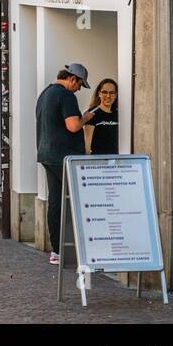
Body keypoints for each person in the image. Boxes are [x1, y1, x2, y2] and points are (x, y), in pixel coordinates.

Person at [36, 63, 96, 264]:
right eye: (80, 85)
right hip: (64, 156)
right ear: (72, 79)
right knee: (81, 199)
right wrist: (85, 117)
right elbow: (73, 126)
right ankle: (86, 248)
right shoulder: (66, 95)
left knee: (55, 202)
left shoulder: (45, 93)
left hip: (46, 154)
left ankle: (57, 251)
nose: (79, 89)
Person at [86, 79, 120, 155]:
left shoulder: (119, 115)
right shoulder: (91, 113)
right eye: (104, 92)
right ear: (99, 94)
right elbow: (87, 146)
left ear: (116, 95)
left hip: (117, 161)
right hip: (98, 162)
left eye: (112, 93)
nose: (108, 96)